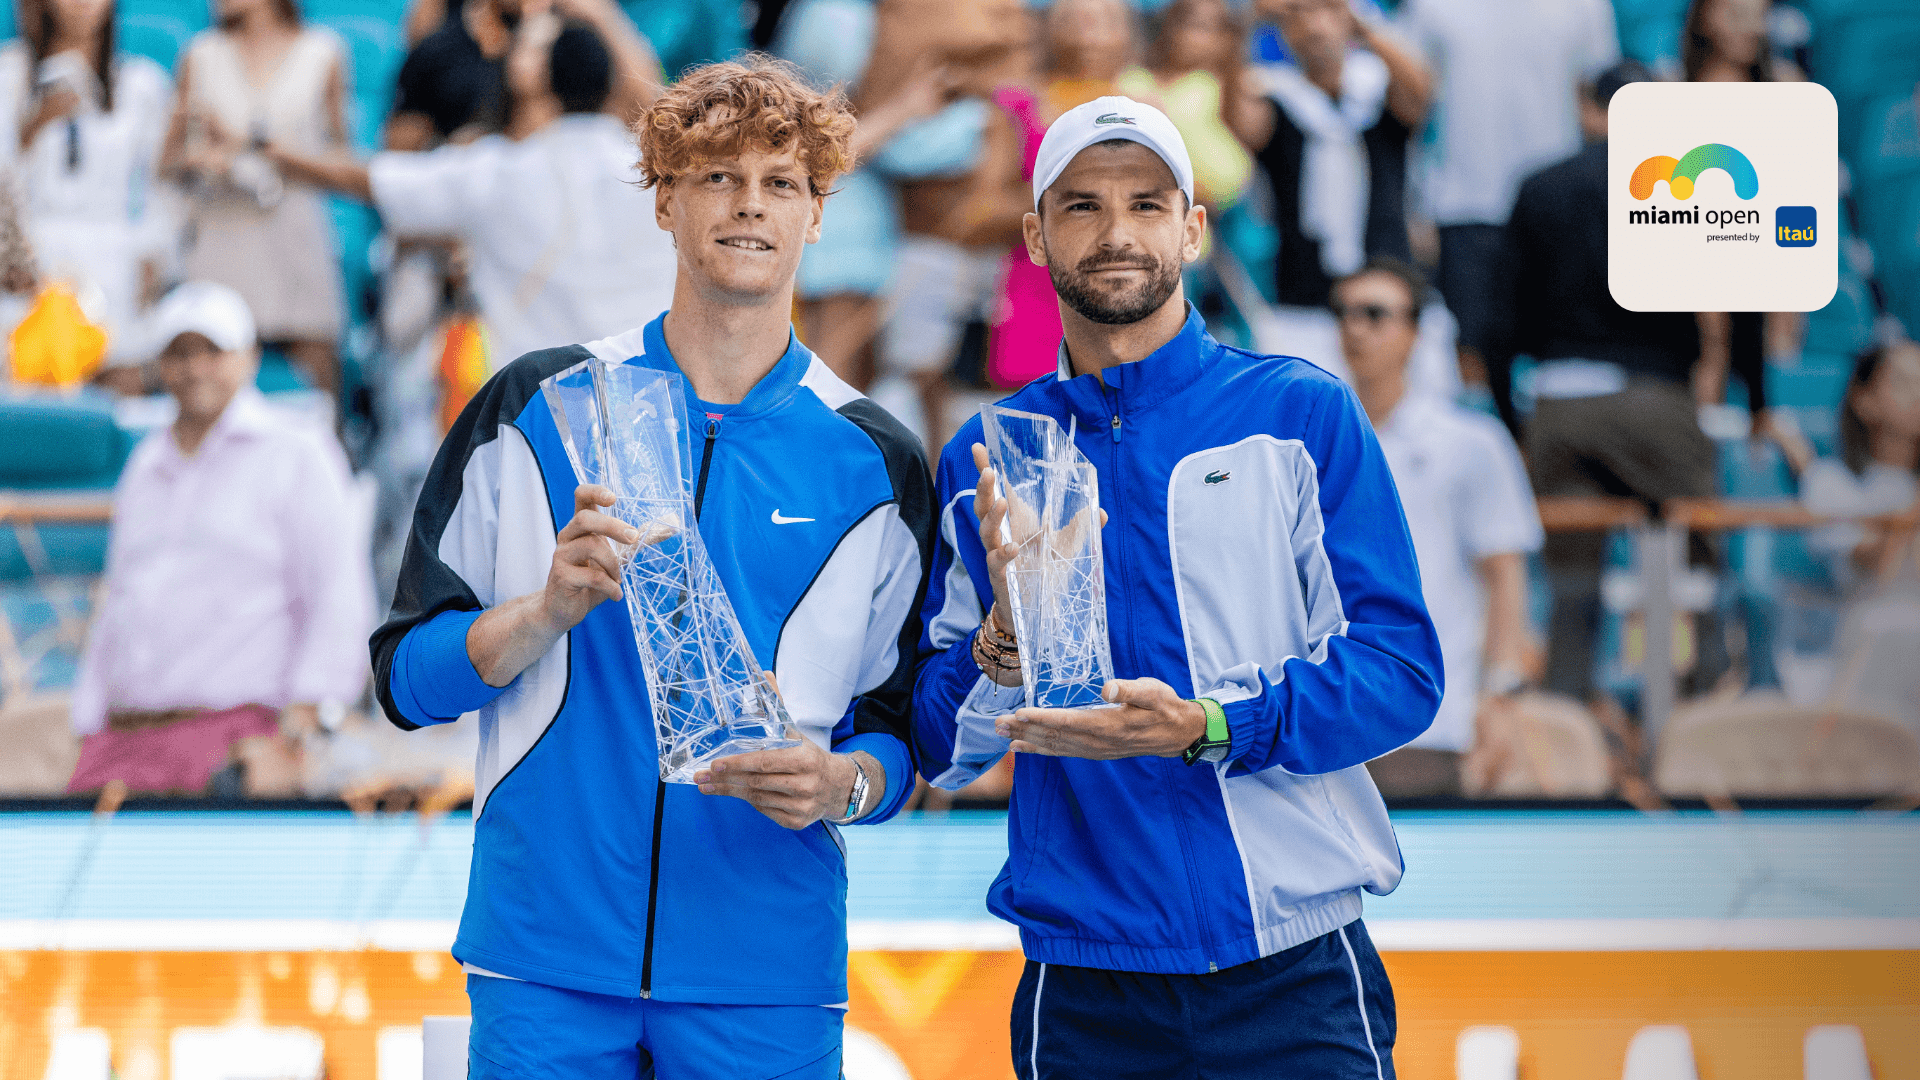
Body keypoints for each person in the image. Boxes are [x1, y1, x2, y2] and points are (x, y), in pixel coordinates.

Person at [368, 57, 933, 1077]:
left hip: (766, 967)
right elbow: (406, 680)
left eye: (781, 182)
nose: (750, 204)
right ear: (665, 200)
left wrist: (840, 785)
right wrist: (543, 613)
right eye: (718, 177)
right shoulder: (535, 408)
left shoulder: (876, 461)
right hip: (544, 957)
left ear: (816, 213)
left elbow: (897, 734)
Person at [914, 96, 1441, 1077]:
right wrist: (1003, 643)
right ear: (1035, 236)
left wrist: (1211, 724)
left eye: (1147, 204)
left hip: (1294, 967)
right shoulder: (986, 455)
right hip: (1085, 986)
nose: (1116, 232)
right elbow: (940, 749)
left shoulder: (1299, 415)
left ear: (1193, 229)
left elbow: (1401, 673)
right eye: (1082, 205)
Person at [1484, 62, 1757, 711]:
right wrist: (1760, 400)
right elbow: (1745, 304)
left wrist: (1512, 424)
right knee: (1698, 568)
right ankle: (1703, 709)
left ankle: (1568, 717)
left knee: (1573, 586)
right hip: (1655, 401)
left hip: (1560, 404)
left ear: (1590, 108)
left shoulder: (1538, 188)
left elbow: (1495, 324)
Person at [68, 281, 374, 796]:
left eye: (212, 350)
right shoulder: (145, 464)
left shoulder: (296, 451)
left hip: (238, 739)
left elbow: (338, 593)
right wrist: (87, 718)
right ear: (160, 365)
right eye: (179, 353)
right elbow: (118, 599)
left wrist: (306, 723)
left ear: (248, 358)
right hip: (124, 738)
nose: (195, 368)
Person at [265, 15, 676, 370]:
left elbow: (373, 180)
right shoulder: (662, 173)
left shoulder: (496, 173)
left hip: (539, 407)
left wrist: (276, 154)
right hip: (649, 395)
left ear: (544, 79)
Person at [1332, 257, 1542, 798]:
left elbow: (1505, 576)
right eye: (1344, 312)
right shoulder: (1316, 443)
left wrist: (1500, 695)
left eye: (1374, 313)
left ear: (1415, 332)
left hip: (1429, 723)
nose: (1355, 328)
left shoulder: (1469, 443)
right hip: (1327, 720)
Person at [1240, 0, 1457, 401]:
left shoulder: (1378, 92)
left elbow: (1423, 92)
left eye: (1327, 9)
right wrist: (1250, 21)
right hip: (1305, 305)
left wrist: (1363, 23)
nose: (1315, 25)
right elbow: (1236, 116)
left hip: (1390, 294)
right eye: (1300, 13)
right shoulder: (1275, 98)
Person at [1398, 0, 1619, 388]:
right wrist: (1414, 208)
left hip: (1557, 213)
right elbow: (1408, 101)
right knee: (1470, 360)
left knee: (1554, 356)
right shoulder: (1428, 5)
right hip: (1462, 206)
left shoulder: (1586, 5)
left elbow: (1599, 103)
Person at [160, 0, 351, 401]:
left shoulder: (323, 52)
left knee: (318, 381)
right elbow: (168, 162)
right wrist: (199, 160)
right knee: (207, 379)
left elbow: (339, 163)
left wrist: (243, 145)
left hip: (295, 238)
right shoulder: (201, 54)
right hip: (220, 235)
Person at [0, 0, 173, 367]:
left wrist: (153, 254)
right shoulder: (9, 74)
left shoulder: (141, 82)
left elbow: (158, 186)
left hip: (114, 256)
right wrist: (33, 129)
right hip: (32, 252)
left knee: (113, 365)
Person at [387, 0, 661, 151]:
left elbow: (649, 112)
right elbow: (397, 163)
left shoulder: (580, 36)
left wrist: (604, 15)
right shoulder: (442, 50)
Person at [1116, 0, 1255, 212]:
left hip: (1228, 207)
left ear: (1226, 38)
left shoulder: (1223, 81)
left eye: (1204, 28)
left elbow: (1252, 131)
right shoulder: (1134, 78)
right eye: (1182, 23)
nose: (1187, 36)